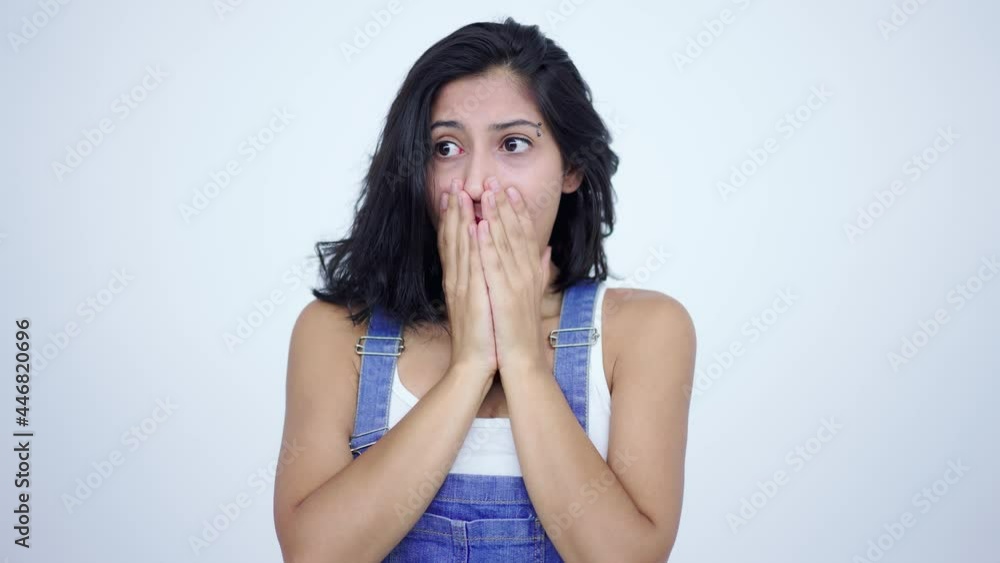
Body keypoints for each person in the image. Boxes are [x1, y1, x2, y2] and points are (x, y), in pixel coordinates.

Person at [273, 17, 696, 562]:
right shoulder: (334, 332)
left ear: (571, 168)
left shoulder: (644, 331)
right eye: (446, 148)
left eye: (513, 143)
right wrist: (470, 365)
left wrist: (520, 358)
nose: (474, 184)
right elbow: (314, 555)